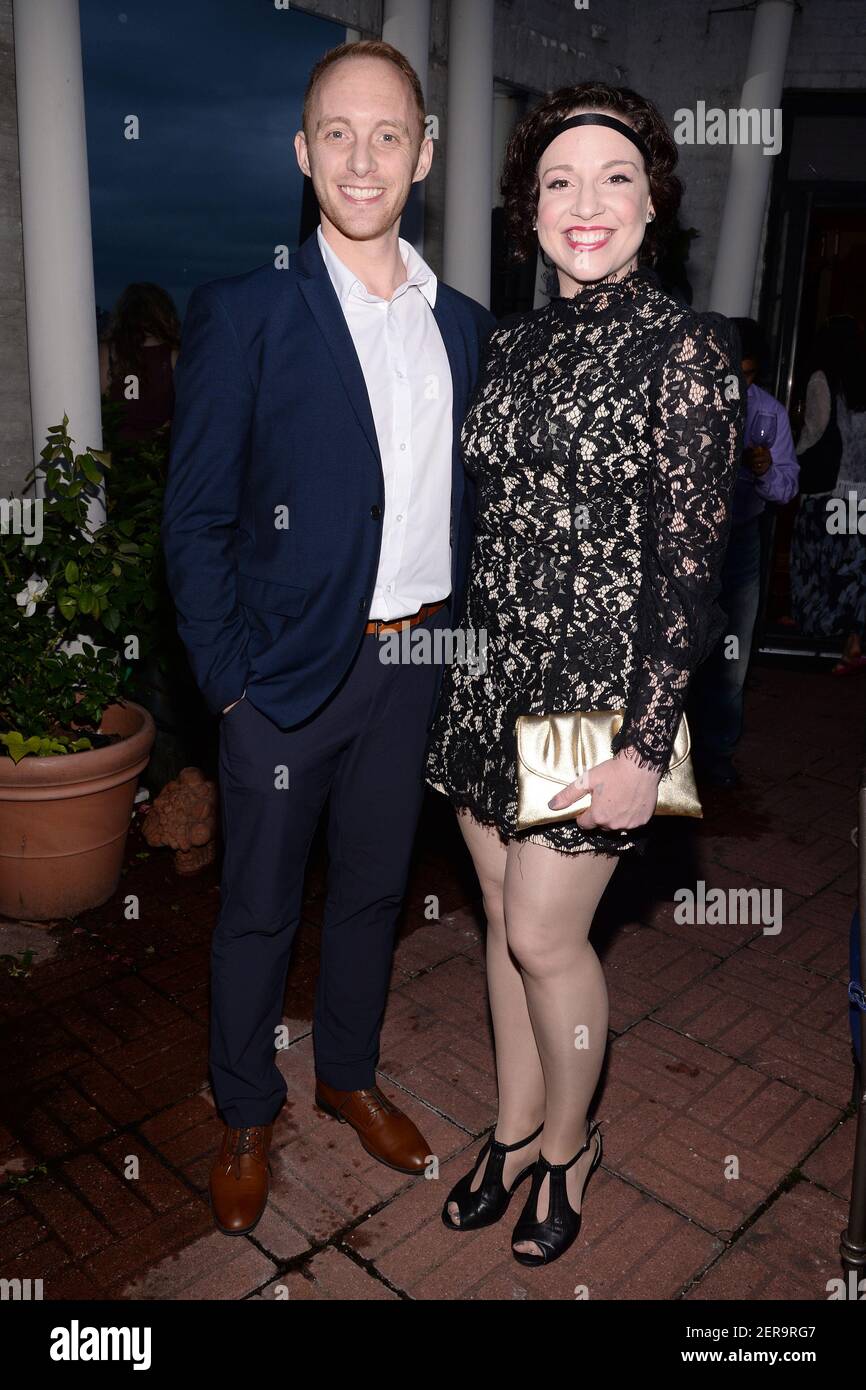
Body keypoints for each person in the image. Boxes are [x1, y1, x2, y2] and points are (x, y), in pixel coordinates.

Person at [161, 40, 494, 1237]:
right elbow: (193, 517)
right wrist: (231, 683)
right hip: (284, 678)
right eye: (337, 134)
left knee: (369, 891)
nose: (363, 158)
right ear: (304, 154)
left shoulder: (464, 328)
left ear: (423, 153)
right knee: (256, 905)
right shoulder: (246, 312)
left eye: (388, 133)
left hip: (412, 663)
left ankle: (346, 1073)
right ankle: (245, 1107)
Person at [424, 82, 745, 1266]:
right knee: (504, 926)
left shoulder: (686, 350)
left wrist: (643, 744)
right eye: (558, 180)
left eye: (614, 176)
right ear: (529, 211)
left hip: (593, 699)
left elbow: (689, 573)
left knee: (552, 941)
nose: (585, 201)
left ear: (653, 201)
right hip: (488, 675)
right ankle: (508, 1132)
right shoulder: (507, 346)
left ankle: (568, 1146)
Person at [689, 317, 799, 786]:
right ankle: (670, 753)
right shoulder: (688, 397)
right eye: (732, 370)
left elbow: (787, 490)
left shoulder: (769, 414)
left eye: (749, 374)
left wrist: (766, 469)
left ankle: (717, 756)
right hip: (689, 541)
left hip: (740, 543)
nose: (739, 383)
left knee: (732, 657)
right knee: (679, 646)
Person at [789, 316, 866, 674]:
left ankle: (821, 633)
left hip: (827, 491)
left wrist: (792, 456)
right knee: (850, 568)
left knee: (817, 565)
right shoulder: (860, 380)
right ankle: (852, 639)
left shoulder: (823, 378)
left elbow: (815, 428)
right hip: (858, 492)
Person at [99, 283, 180, 443]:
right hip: (156, 452)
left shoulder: (107, 352)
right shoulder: (173, 355)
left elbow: (100, 405)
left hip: (115, 450)